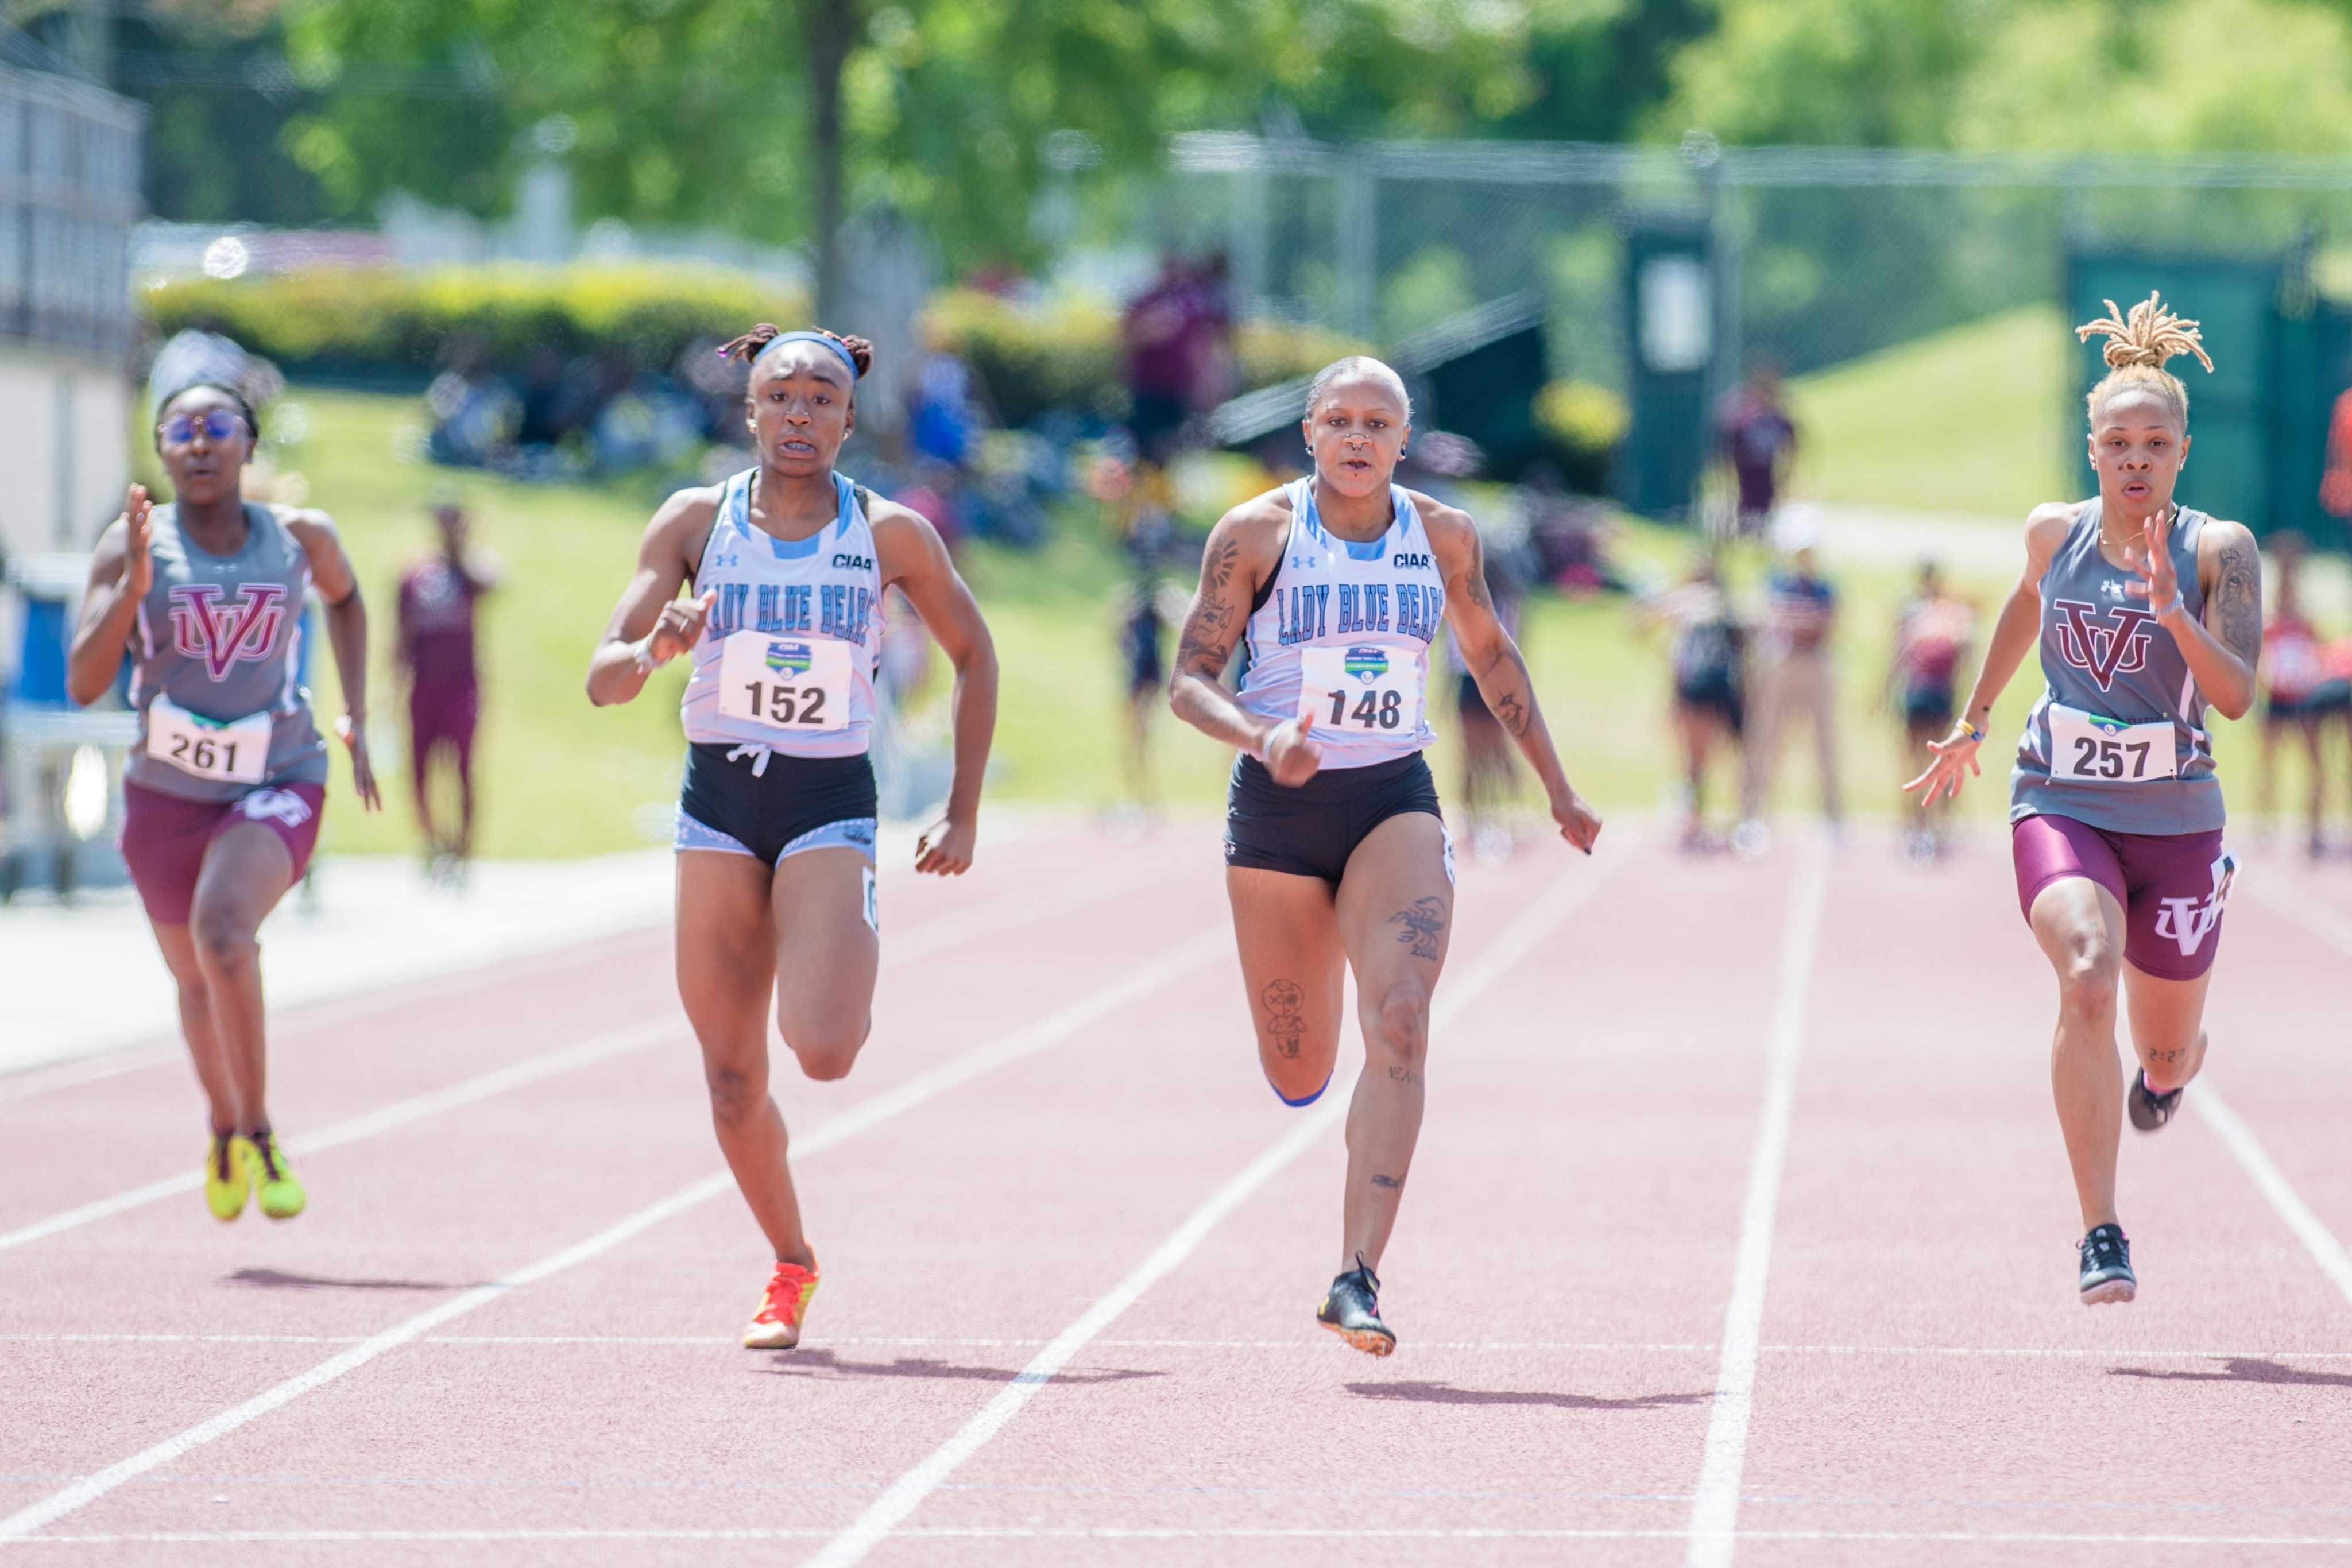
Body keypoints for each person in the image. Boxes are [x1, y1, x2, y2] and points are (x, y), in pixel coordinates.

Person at [1166, 355, 1603, 1356]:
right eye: (1338, 420)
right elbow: (1187, 679)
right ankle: (1313, 1098)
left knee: (1400, 1020)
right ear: (1309, 434)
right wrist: (1261, 736)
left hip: (1390, 798)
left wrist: (1557, 786)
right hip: (1277, 812)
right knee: (1299, 1066)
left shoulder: (1443, 536)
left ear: (1404, 441)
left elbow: (1491, 655)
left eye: (1378, 423)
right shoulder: (1256, 534)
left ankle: (1355, 1274)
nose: (1357, 438)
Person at [586, 325, 997, 1350]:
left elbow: (976, 656)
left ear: (850, 418)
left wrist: (963, 806)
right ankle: (790, 1262)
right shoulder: (693, 521)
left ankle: (837, 941)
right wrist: (653, 647)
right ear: (751, 411)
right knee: (731, 1078)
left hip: (826, 800)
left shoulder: (891, 534)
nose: (801, 414)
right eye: (783, 397)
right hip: (718, 804)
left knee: (823, 1052)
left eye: (822, 398)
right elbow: (601, 677)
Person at [1908, 293, 2260, 1307]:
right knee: (2086, 974)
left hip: (2180, 822)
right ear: (2093, 448)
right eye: (2118, 442)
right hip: (2059, 801)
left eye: (2156, 442)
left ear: (2182, 451)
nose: (2137, 459)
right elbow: (2026, 602)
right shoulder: (2052, 532)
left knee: (2163, 1043)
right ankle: (2100, 1231)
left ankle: (2170, 1068)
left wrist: (2172, 616)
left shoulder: (2214, 551)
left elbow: (2234, 696)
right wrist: (1975, 718)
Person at [66, 371, 382, 1224]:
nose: (199, 442)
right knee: (196, 983)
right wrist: (131, 589)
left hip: (278, 776)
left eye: (216, 426)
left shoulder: (298, 537)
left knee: (225, 936)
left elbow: (348, 600)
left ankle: (262, 1129)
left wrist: (353, 708)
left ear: (249, 442)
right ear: (162, 449)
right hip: (165, 797)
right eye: (180, 430)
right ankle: (223, 1124)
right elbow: (84, 681)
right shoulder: (130, 544)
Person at [396, 497, 497, 877]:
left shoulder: (472, 569)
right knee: (419, 770)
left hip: (462, 685)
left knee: (464, 768)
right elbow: (400, 630)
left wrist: (463, 550)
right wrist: (393, 682)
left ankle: (464, 848)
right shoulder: (413, 573)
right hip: (422, 685)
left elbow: (492, 586)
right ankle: (430, 840)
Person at [1736, 524, 1842, 855]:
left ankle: (1832, 819)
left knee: (1824, 745)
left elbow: (1825, 622)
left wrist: (1792, 617)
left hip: (1814, 663)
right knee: (1766, 743)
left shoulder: (1824, 586)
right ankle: (1754, 817)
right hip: (1780, 664)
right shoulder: (1777, 581)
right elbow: (1769, 616)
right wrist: (1798, 618)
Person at [1635, 556, 1746, 854]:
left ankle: (1694, 818)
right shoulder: (1722, 603)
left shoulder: (1692, 602)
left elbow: (1637, 623)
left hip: (1696, 691)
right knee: (1702, 762)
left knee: (1693, 763)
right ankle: (1700, 818)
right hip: (1711, 692)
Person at [1888, 561, 1976, 860]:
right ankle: (1922, 827)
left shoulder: (1926, 613)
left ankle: (1928, 827)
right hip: (1928, 695)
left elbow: (1898, 657)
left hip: (1930, 694)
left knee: (1931, 764)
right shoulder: (1947, 613)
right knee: (1927, 764)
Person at [2254, 531, 2330, 858]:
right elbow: (2256, 658)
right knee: (2269, 764)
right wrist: (2265, 679)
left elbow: (2318, 654)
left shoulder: (2305, 620)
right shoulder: (2268, 618)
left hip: (2302, 698)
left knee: (2314, 764)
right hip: (2275, 699)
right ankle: (2265, 824)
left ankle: (2314, 828)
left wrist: (2311, 675)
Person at [1715, 361, 1797, 539]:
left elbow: (1792, 445)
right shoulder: (1745, 419)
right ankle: (1746, 534)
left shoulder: (1778, 420)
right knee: (1746, 504)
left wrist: (1788, 475)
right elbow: (1730, 446)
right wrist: (1728, 474)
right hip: (1745, 468)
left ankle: (1759, 535)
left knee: (1766, 503)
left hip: (1767, 468)